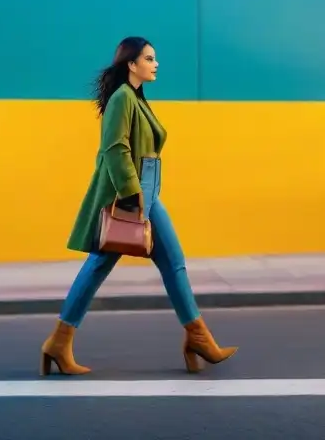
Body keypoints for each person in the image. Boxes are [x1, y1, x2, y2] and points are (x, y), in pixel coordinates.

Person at [39, 36, 238, 376]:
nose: (155, 63)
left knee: (171, 262)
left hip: (147, 194)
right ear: (132, 64)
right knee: (103, 264)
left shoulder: (135, 98)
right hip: (130, 195)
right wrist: (132, 196)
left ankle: (197, 338)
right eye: (149, 58)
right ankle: (59, 341)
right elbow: (115, 149)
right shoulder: (122, 99)